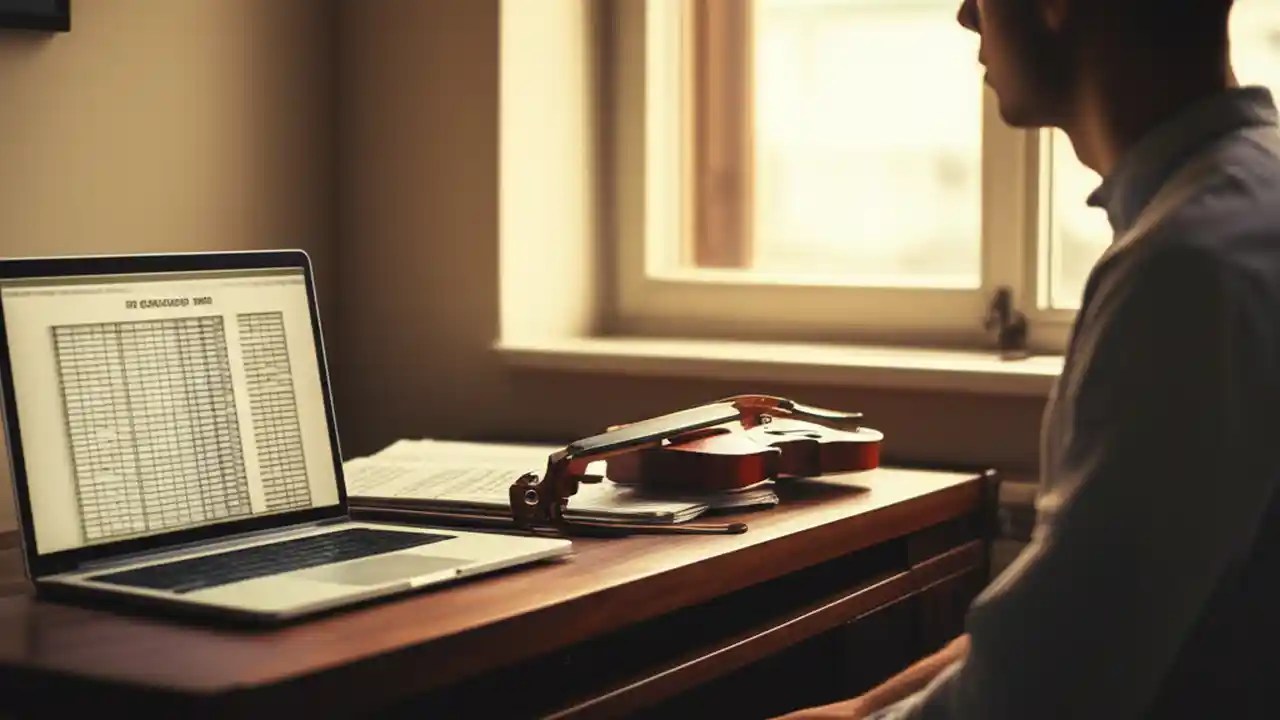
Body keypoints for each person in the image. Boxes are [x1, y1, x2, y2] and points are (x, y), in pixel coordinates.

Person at [779, 0, 1280, 717]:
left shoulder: (1188, 269)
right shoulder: (1243, 200)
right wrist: (861, 711)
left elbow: (1047, 693)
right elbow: (1062, 625)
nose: (965, 17)